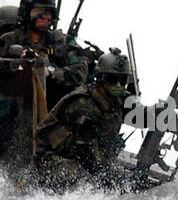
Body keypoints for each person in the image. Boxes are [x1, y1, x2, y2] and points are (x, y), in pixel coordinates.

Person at [33, 47, 132, 190]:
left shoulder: (116, 98)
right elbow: (86, 155)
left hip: (82, 158)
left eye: (122, 80)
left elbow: (138, 116)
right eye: (112, 79)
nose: (118, 85)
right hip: (53, 159)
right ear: (101, 79)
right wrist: (115, 177)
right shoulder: (84, 104)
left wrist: (159, 113)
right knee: (87, 184)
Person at [0, 0, 86, 106]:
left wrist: (50, 71)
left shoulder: (62, 41)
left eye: (48, 12)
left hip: (54, 111)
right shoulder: (9, 40)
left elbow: (80, 71)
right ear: (26, 12)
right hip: (15, 107)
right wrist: (18, 63)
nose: (45, 16)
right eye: (39, 11)